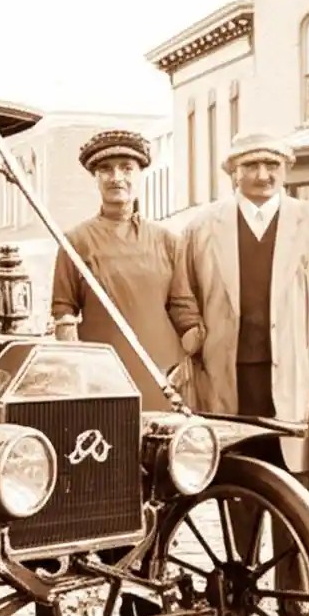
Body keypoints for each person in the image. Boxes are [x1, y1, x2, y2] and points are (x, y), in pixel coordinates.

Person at [168, 131, 309, 616]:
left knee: (293, 484)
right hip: (226, 383)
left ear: (286, 170)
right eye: (251, 165)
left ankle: (294, 592)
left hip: (297, 383)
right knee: (236, 485)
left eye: (272, 164)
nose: (262, 174)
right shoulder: (200, 229)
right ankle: (237, 584)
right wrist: (192, 332)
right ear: (232, 171)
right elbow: (182, 297)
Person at [50, 129, 187, 411]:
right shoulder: (75, 241)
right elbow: (63, 311)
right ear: (95, 178)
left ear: (141, 175)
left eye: (127, 168)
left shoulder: (168, 241)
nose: (116, 178)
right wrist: (79, 373)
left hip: (162, 373)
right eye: (105, 169)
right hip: (103, 377)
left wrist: (186, 365)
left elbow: (183, 309)